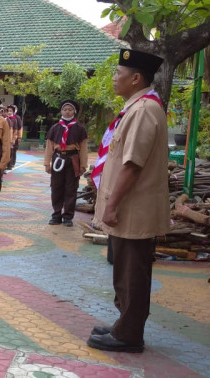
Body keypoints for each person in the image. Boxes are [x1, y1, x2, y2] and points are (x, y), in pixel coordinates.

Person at [88, 49, 168, 353]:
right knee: (124, 268)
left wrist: (112, 205)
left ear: (135, 79)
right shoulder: (137, 107)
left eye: (118, 73)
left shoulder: (144, 110)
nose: (113, 78)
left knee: (132, 272)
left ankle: (129, 334)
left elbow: (132, 164)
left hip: (132, 208)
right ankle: (124, 324)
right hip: (129, 207)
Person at [43, 100, 88, 227]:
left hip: (73, 159)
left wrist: (83, 165)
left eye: (70, 109)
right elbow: (49, 147)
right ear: (61, 111)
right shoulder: (55, 128)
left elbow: (83, 148)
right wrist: (47, 163)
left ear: (74, 111)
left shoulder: (80, 128)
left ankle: (68, 216)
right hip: (58, 158)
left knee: (71, 188)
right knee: (56, 187)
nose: (67, 112)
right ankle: (56, 215)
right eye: (65, 109)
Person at [6, 105, 22, 170]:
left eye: (11, 111)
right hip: (5, 139)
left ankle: (11, 164)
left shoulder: (16, 118)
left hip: (13, 138)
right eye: (8, 111)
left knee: (12, 151)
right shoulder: (5, 119)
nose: (9, 112)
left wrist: (19, 137)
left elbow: (19, 128)